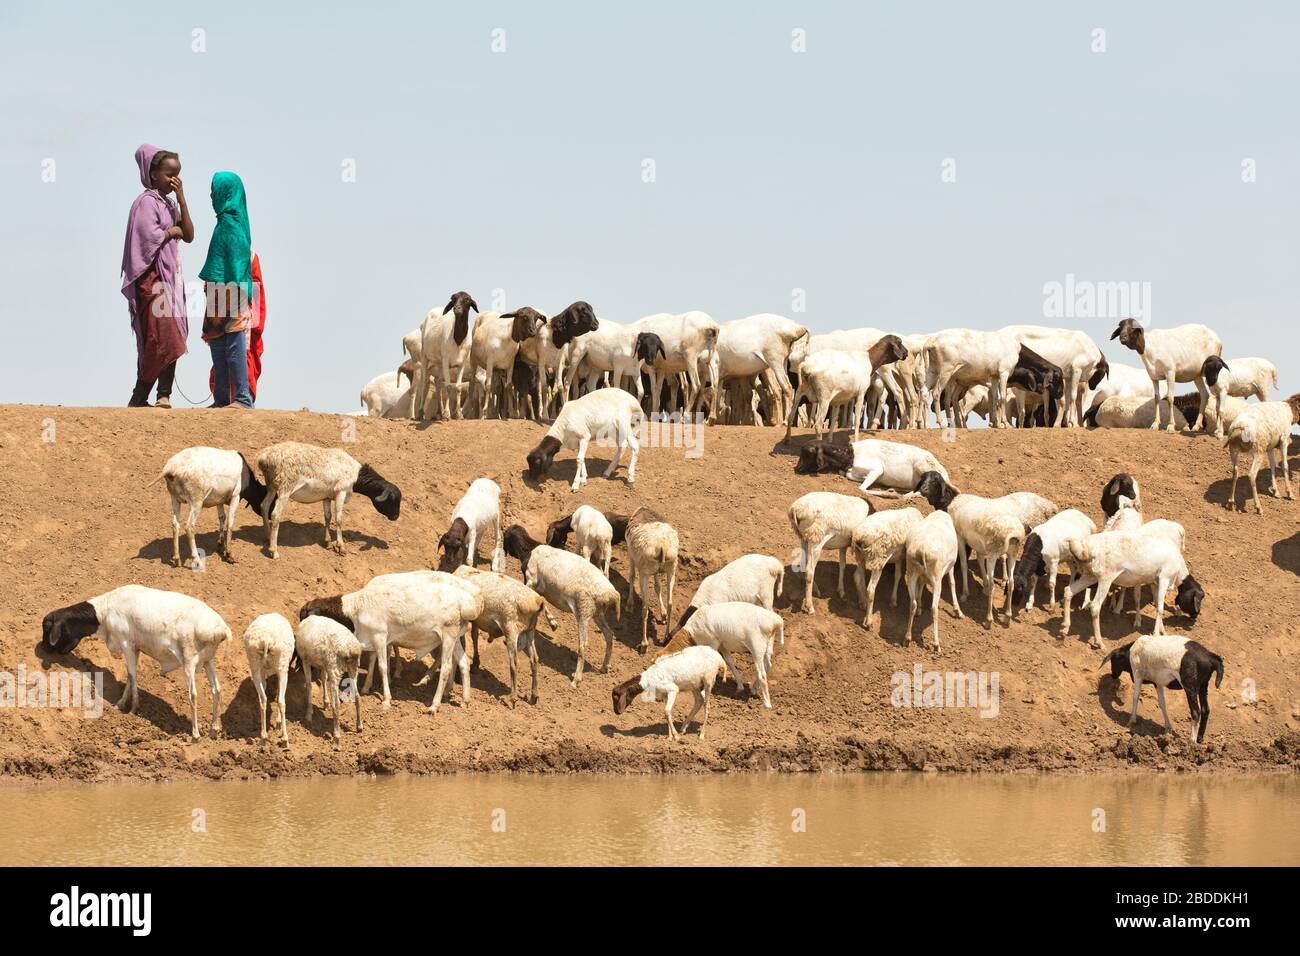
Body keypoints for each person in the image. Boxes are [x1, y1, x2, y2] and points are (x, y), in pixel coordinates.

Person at [121, 144, 194, 408]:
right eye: (168, 174)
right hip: (150, 281)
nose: (173, 180)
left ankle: (160, 395)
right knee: (162, 337)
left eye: (178, 175)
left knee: (172, 334)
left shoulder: (169, 203)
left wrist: (182, 198)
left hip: (169, 280)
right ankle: (144, 396)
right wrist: (170, 232)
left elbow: (189, 234)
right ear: (153, 175)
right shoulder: (146, 203)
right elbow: (147, 238)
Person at [199, 172, 255, 408]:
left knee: (233, 342)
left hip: (232, 291)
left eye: (215, 190)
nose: (211, 195)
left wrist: (232, 293)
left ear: (226, 192)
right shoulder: (223, 223)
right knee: (218, 343)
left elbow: (238, 265)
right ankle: (221, 399)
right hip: (218, 291)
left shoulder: (232, 225)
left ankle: (242, 398)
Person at [207, 249, 266, 405]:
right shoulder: (217, 254)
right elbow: (210, 287)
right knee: (221, 358)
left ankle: (243, 401)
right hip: (220, 320)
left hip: (243, 321)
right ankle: (222, 401)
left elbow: (256, 292)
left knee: (240, 356)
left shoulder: (249, 256)